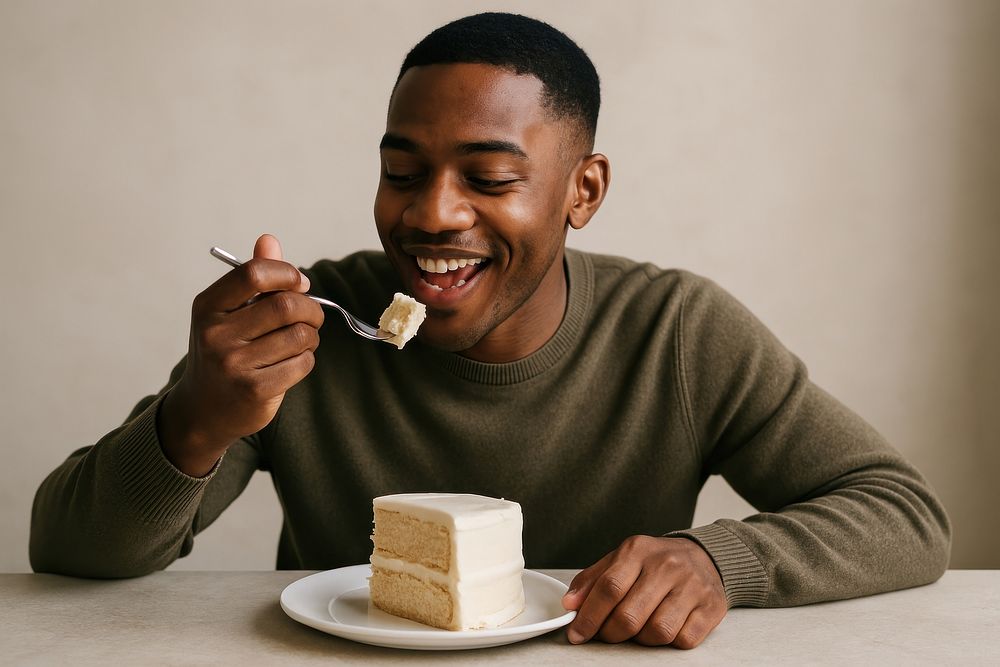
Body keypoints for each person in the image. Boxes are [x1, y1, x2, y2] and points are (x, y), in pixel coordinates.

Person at [31, 12, 950, 648]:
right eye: (403, 170)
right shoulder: (311, 328)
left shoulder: (676, 331)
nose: (432, 214)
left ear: (581, 190)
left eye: (489, 177)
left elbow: (904, 513)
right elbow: (69, 553)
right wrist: (197, 413)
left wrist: (722, 557)